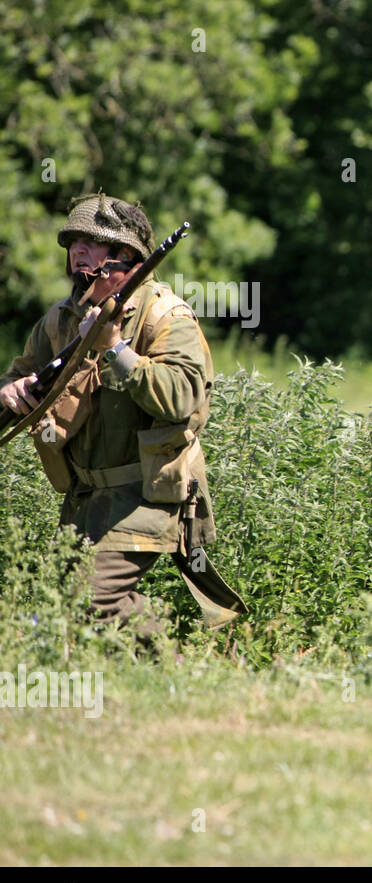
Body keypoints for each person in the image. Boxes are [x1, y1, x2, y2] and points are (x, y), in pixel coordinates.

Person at [0, 192, 244, 630]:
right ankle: (134, 685)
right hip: (84, 499)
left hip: (144, 494)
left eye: (90, 243)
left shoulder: (163, 314)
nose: (77, 251)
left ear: (126, 255)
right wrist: (11, 391)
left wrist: (115, 348)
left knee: (94, 601)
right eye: (73, 242)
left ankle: (175, 659)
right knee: (60, 610)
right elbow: (17, 375)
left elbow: (183, 398)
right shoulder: (62, 319)